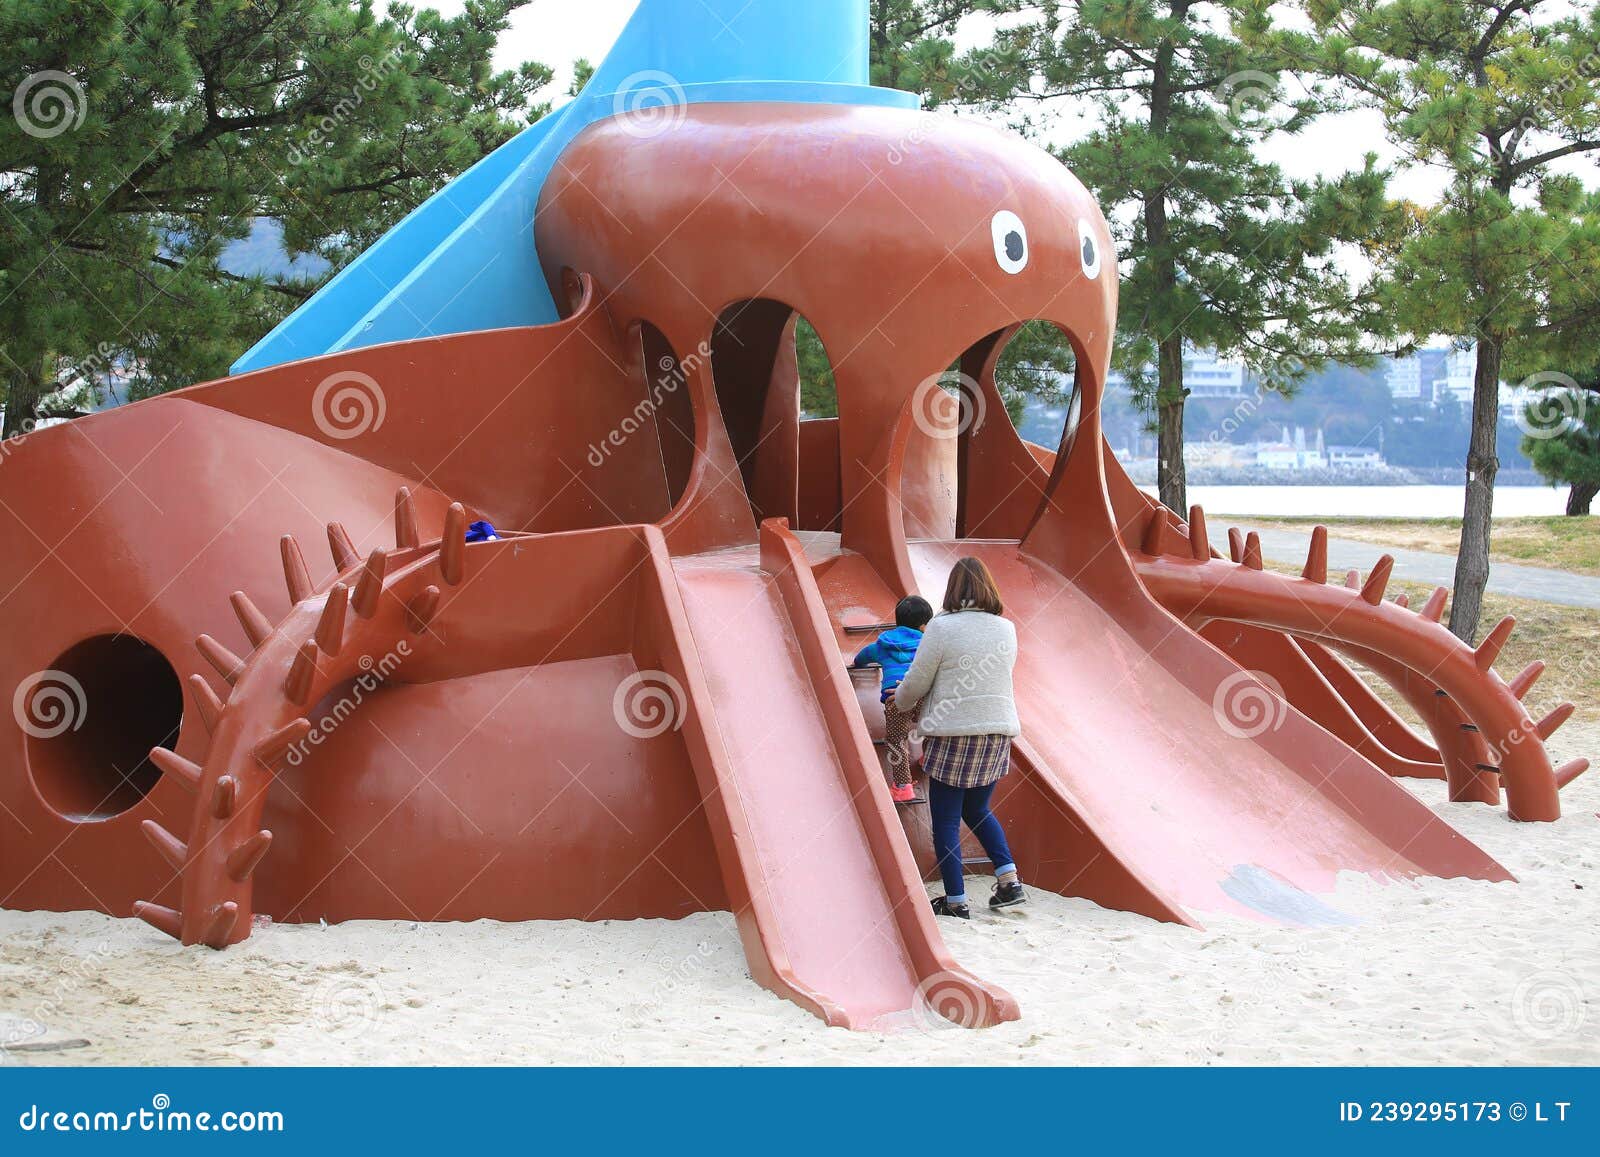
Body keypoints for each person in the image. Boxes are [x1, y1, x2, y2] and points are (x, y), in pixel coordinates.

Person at [893, 557, 1024, 918]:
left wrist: (899, 702)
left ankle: (955, 901)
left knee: (947, 819)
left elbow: (917, 681)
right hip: (998, 732)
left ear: (952, 589)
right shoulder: (1006, 628)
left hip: (954, 733)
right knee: (978, 808)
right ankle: (1009, 881)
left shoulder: (941, 628)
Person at [850, 596, 933, 803]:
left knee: (896, 740)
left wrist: (858, 663)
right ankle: (928, 760)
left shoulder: (884, 644)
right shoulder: (928, 644)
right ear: (924, 625)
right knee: (930, 726)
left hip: (894, 698)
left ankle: (903, 787)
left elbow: (864, 656)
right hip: (922, 693)